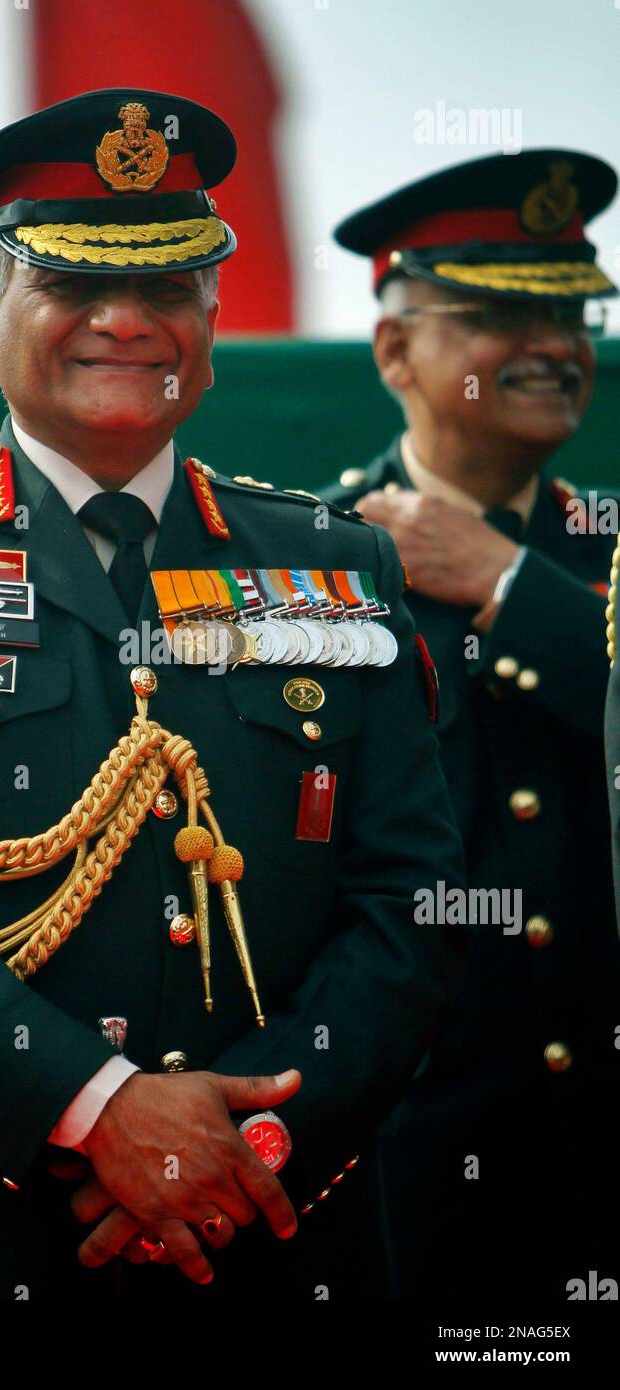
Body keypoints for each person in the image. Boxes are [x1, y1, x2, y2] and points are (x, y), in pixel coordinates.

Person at [0, 88, 464, 1302]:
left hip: (268, 1228)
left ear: (211, 321)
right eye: (72, 287)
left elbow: (411, 906)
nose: (126, 321)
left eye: (170, 288)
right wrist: (101, 1111)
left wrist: (245, 1140)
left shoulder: (333, 566)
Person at [319, 148, 620, 1299]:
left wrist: (511, 584)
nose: (552, 344)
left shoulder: (604, 553)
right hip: (406, 1183)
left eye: (570, 312)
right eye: (502, 311)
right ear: (394, 348)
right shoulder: (305, 565)